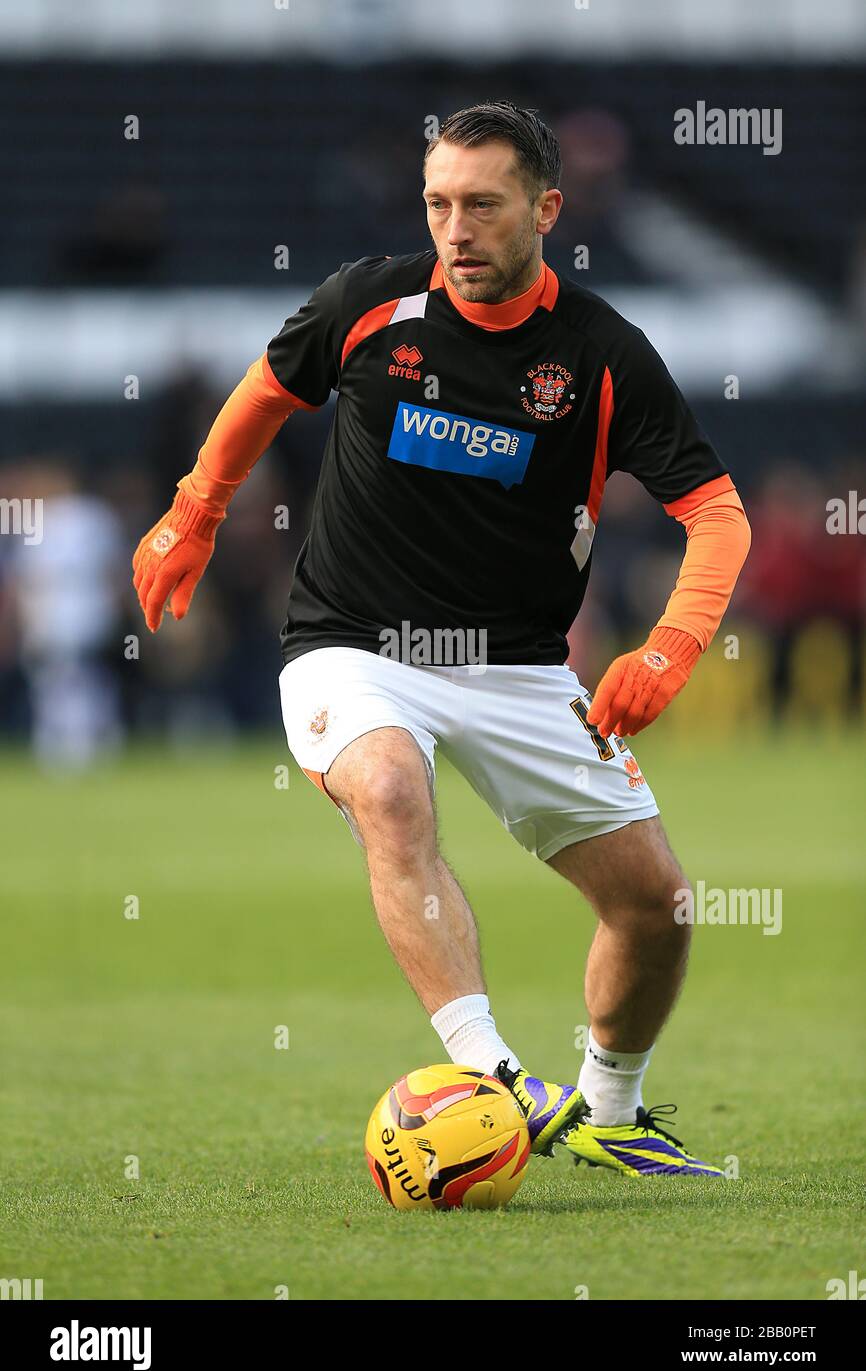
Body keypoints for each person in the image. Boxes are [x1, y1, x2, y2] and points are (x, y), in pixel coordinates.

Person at [133, 101, 751, 1177]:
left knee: (655, 904)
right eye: (435, 204)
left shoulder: (601, 353)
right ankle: (498, 1082)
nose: (452, 228)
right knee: (387, 791)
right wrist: (195, 508)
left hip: (514, 663)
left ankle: (608, 1109)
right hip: (352, 642)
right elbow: (266, 392)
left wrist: (667, 650)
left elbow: (716, 513)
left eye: (480, 204)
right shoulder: (368, 303)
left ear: (546, 209)